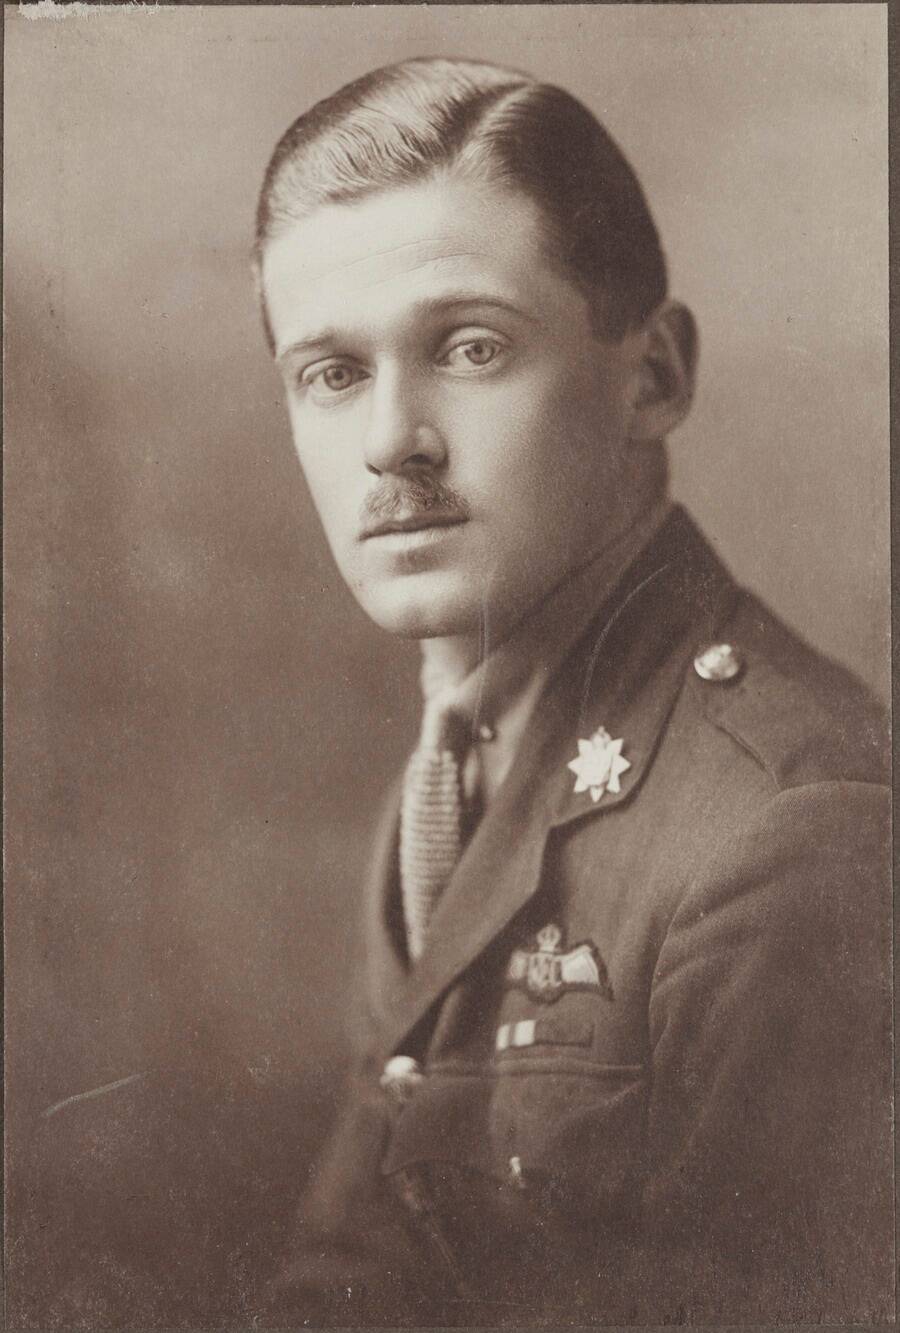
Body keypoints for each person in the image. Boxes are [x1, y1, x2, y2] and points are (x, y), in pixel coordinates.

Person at [253, 57, 892, 1326]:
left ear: (652, 377)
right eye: (331, 372)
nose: (392, 440)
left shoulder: (787, 828)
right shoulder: (464, 749)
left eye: (470, 346)